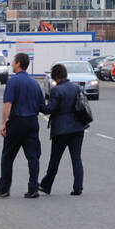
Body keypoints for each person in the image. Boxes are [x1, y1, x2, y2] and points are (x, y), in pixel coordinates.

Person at [0, 53, 45, 199]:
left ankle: (4, 189)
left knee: (8, 156)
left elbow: (8, 103)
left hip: (16, 122)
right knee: (33, 157)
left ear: (19, 63)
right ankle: (33, 188)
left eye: (13, 61)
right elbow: (42, 106)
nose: (11, 64)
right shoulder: (35, 83)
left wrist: (3, 123)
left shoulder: (13, 82)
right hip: (32, 122)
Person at [39, 63, 87, 195]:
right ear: (65, 74)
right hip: (78, 128)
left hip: (61, 131)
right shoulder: (76, 87)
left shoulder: (56, 90)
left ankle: (46, 185)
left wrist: (39, 105)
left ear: (55, 77)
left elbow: (49, 109)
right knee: (76, 158)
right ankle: (78, 187)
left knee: (55, 160)